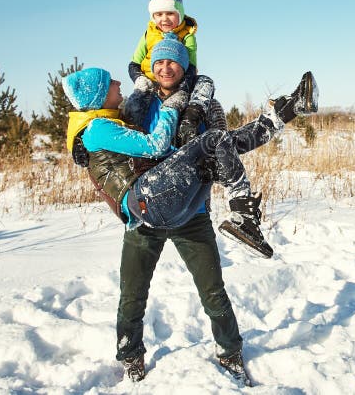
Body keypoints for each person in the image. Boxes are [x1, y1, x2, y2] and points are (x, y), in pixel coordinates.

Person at [63, 41, 317, 383]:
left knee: (213, 290)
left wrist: (277, 118)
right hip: (144, 215)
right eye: (159, 62)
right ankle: (131, 357)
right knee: (132, 293)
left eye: (174, 62)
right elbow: (108, 142)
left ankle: (231, 354)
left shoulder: (206, 105)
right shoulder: (136, 105)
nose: (166, 67)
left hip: (192, 213)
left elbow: (231, 142)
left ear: (185, 67)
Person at [126, 0, 218, 146]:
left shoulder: (188, 36)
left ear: (180, 14)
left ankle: (188, 130)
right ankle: (136, 136)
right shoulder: (148, 34)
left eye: (170, 13)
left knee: (202, 84)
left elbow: (191, 67)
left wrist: (183, 91)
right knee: (134, 108)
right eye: (158, 14)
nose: (164, 19)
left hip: (178, 84)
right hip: (149, 85)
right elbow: (134, 64)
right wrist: (140, 80)